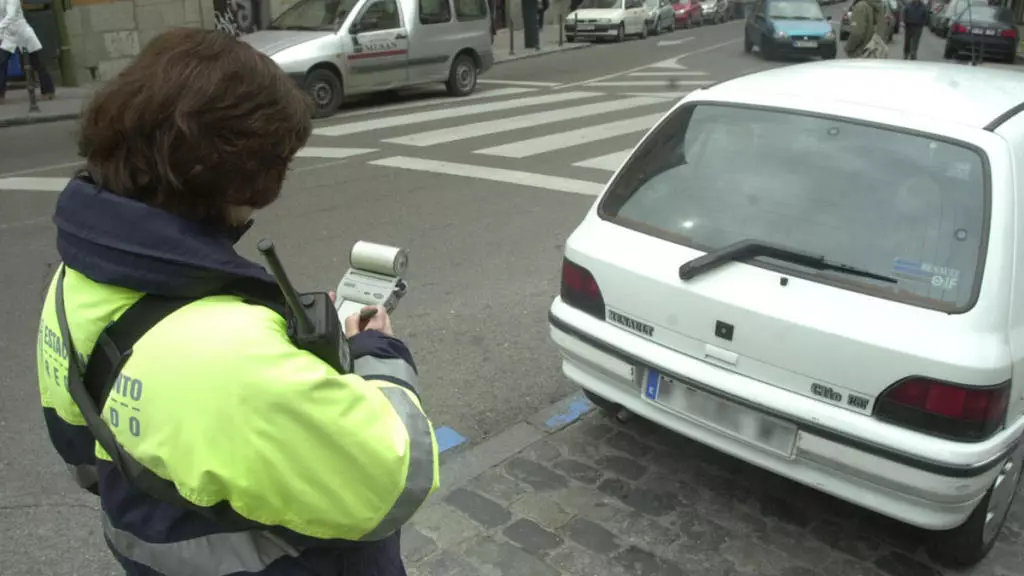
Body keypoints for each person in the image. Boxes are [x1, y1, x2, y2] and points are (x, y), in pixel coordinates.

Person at [36, 27, 438, 576]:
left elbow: (85, 457)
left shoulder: (69, 284)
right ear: (240, 176)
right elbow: (395, 477)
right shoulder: (235, 354)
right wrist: (377, 354)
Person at [0, 0, 55, 103]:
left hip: (21, 31)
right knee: (1, 61)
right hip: (8, 34)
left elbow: (11, 16)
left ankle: (48, 90)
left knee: (37, 60)